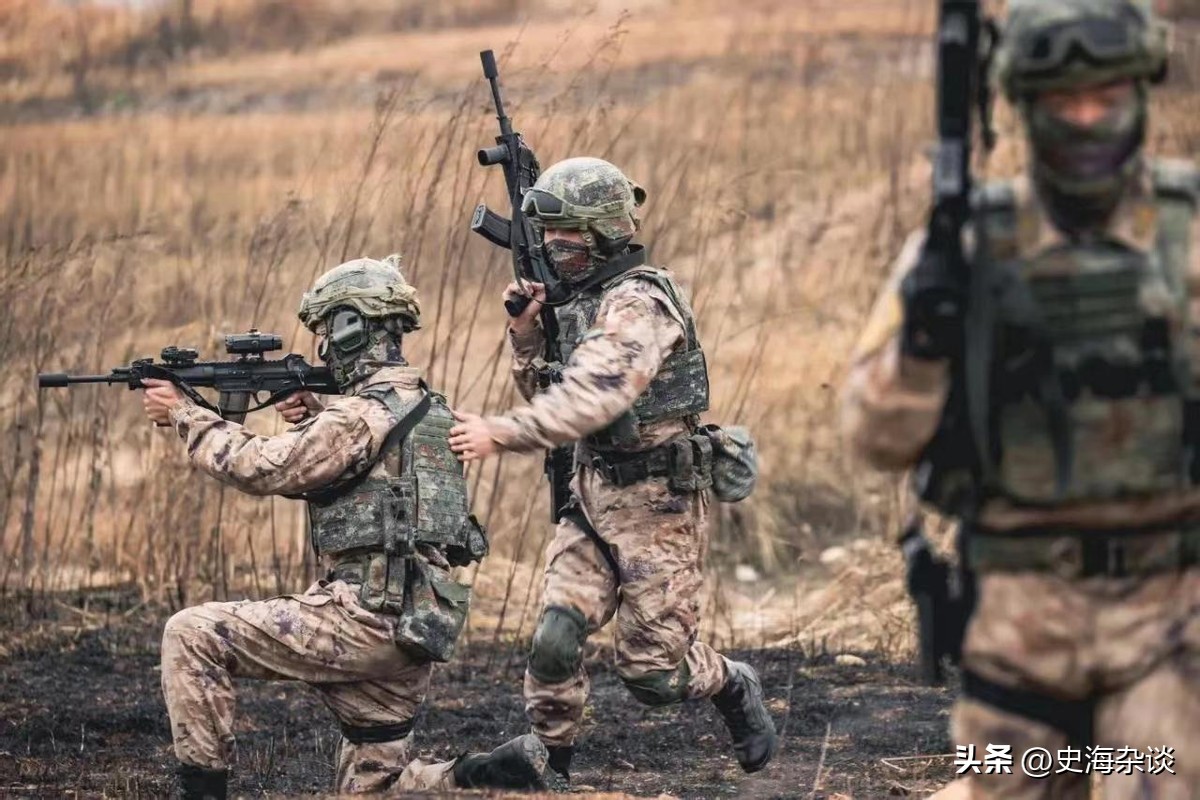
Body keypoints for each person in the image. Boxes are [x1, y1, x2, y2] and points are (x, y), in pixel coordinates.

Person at [842, 1, 1199, 797]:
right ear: (1025, 107)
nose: (1084, 121)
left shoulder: (1191, 232)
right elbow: (874, 438)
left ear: (1139, 96)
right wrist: (926, 342)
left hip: (1170, 623)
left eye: (1103, 99)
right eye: (1060, 103)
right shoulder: (964, 247)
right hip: (1017, 631)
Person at [140, 255, 556, 799]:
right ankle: (482, 774)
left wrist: (186, 415)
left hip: (361, 617)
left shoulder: (358, 416)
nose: (323, 346)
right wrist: (316, 410)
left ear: (350, 327)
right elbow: (355, 477)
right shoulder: (426, 405)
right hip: (416, 625)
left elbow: (263, 468)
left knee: (192, 634)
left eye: (326, 331)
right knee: (372, 789)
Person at [449, 157, 778, 787]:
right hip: (592, 496)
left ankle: (733, 684)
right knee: (555, 637)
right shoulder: (582, 301)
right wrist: (525, 335)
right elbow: (547, 388)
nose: (549, 247)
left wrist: (501, 433)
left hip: (659, 506)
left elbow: (592, 400)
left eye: (562, 235)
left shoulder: (640, 305)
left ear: (600, 232)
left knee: (655, 675)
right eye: (544, 234)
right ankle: (552, 762)